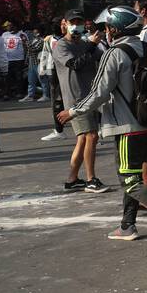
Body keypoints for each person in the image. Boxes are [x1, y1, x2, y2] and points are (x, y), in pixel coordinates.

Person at [58, 6, 147, 241]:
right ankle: (127, 225)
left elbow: (99, 92)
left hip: (128, 127)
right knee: (133, 175)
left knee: (130, 181)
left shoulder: (114, 53)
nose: (105, 31)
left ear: (114, 28)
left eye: (107, 27)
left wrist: (73, 111)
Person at [53, 12, 108, 192]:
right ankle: (91, 179)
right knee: (92, 136)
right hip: (76, 99)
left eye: (79, 22)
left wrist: (102, 42)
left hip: (90, 96)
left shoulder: (85, 43)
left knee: (83, 139)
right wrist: (92, 45)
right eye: (73, 22)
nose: (76, 25)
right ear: (65, 23)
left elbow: (104, 58)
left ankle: (72, 179)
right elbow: (75, 64)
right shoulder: (61, 45)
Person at [1, 20, 28, 102]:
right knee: (6, 77)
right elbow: (1, 46)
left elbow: (26, 47)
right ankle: (6, 94)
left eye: (9, 26)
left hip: (18, 60)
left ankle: (19, 93)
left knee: (19, 77)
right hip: (7, 60)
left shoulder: (22, 34)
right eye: (7, 27)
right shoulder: (4, 34)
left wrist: (26, 58)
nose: (8, 28)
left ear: (14, 26)